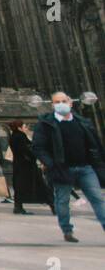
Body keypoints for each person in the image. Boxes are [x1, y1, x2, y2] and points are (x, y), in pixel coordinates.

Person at [31, 92, 105, 243]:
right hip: (62, 169)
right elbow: (38, 148)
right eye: (57, 102)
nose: (61, 104)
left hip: (86, 167)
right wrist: (52, 165)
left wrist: (98, 163)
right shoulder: (45, 124)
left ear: (71, 103)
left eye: (63, 101)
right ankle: (67, 230)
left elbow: (95, 144)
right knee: (63, 201)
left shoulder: (83, 122)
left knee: (97, 199)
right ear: (52, 105)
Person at [7, 120, 51, 215]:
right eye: (25, 126)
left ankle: (18, 206)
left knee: (19, 187)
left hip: (18, 165)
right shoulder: (20, 137)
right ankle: (52, 204)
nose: (26, 128)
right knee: (40, 185)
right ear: (19, 127)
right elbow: (27, 150)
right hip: (26, 166)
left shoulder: (13, 137)